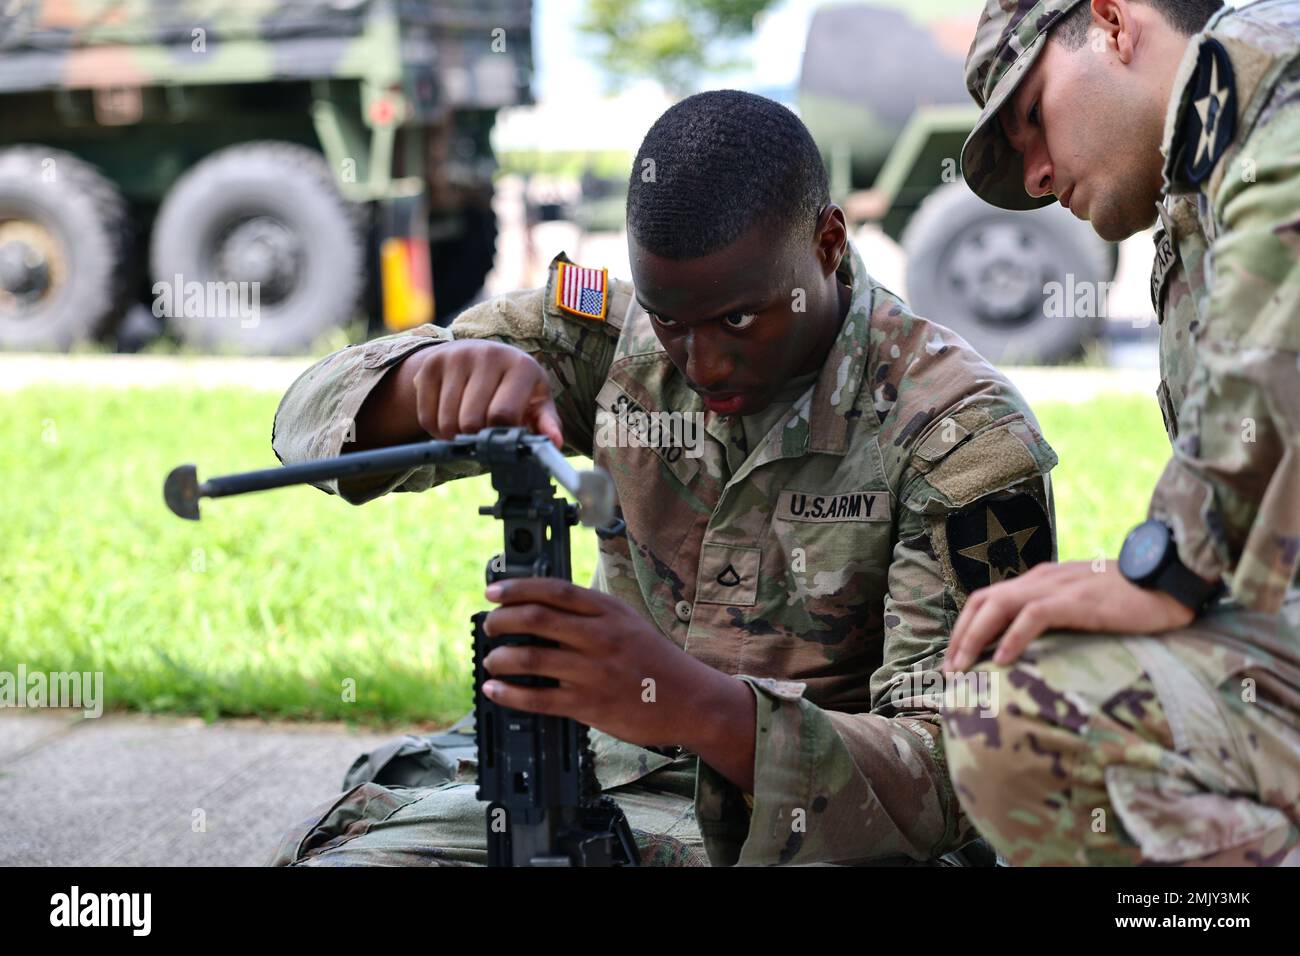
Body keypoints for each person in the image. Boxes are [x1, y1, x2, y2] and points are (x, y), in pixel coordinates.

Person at [267, 89, 1059, 866]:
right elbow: (304, 428)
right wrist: (424, 384)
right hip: (601, 783)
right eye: (671, 320)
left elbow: (974, 768)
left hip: (812, 834)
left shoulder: (958, 435)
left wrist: (694, 704)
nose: (702, 362)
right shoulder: (613, 344)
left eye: (740, 319)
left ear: (827, 244)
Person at [941, 0, 1300, 865]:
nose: (1034, 176)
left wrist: (1175, 563)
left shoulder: (1257, 66)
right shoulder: (1192, 199)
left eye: (1031, 118)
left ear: (1111, 21)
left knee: (1025, 715)